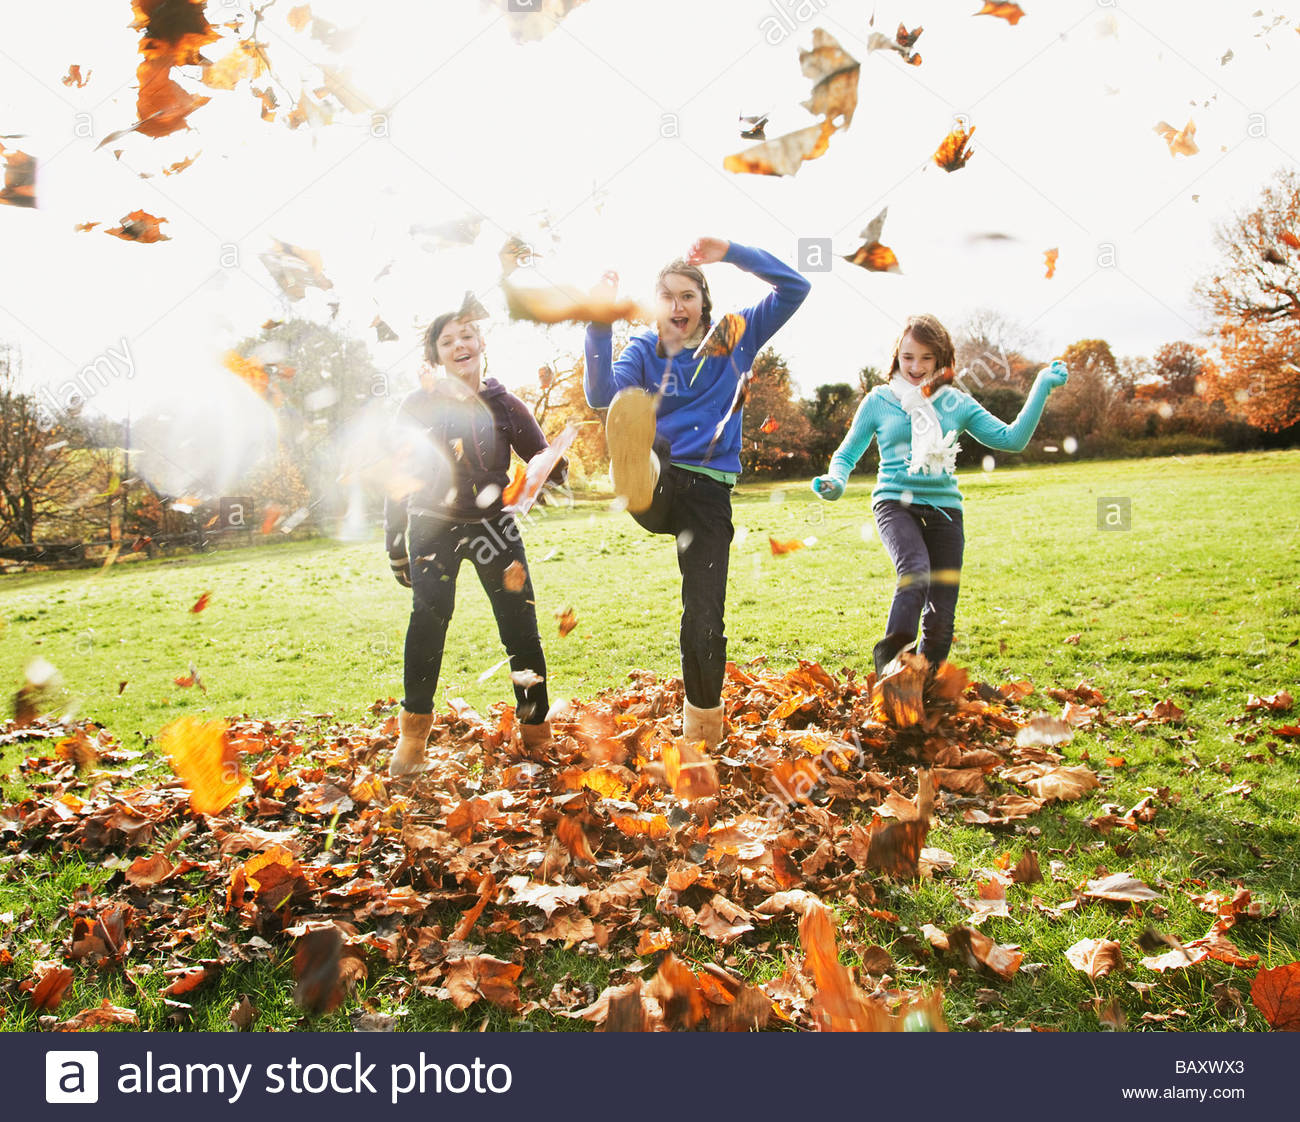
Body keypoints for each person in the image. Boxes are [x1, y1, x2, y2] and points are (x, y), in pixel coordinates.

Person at [584, 237, 810, 747]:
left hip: (708, 493)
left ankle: (703, 730)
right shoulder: (644, 348)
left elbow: (795, 287)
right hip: (659, 481)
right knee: (633, 415)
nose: (677, 305)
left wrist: (731, 251)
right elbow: (600, 394)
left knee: (704, 615)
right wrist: (598, 320)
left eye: (687, 295)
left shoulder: (734, 336)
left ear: (704, 302)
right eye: (666, 296)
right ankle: (634, 464)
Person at [812, 312, 1068, 677]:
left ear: (942, 359)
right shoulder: (879, 401)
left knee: (942, 608)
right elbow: (846, 453)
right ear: (896, 357)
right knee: (915, 572)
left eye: (926, 358)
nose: (916, 366)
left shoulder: (956, 403)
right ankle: (892, 670)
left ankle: (926, 683)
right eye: (908, 357)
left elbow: (1012, 439)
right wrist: (835, 481)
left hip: (946, 510)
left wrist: (1041, 385)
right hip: (894, 502)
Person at [383, 309, 565, 776]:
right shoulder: (419, 405)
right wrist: (396, 545)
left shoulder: (505, 404)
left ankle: (536, 734)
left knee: (520, 629)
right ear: (436, 355)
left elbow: (543, 457)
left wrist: (549, 466)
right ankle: (412, 741)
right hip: (430, 526)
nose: (460, 344)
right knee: (428, 622)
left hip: (493, 529)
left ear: (482, 342)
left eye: (467, 335)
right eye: (447, 341)